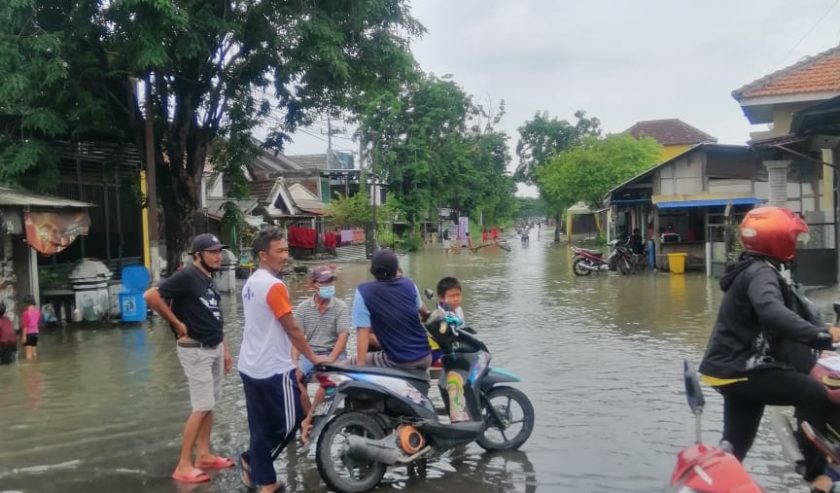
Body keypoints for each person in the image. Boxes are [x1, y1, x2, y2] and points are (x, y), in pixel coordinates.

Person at [698, 207, 840, 490]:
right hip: (744, 369)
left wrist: (815, 345)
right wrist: (822, 336)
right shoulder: (761, 273)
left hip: (728, 371)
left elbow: (778, 322)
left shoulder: (750, 269)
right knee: (813, 392)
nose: (797, 246)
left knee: (736, 449)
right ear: (777, 240)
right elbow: (772, 312)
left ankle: (709, 484)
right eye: (794, 239)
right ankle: (819, 475)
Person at [237, 229, 327, 493]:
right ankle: (254, 463)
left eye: (287, 250)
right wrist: (312, 357)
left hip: (249, 366)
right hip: (272, 368)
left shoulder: (251, 282)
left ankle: (266, 481)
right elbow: (292, 328)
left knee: (261, 427)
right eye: (280, 251)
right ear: (263, 256)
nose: (286, 256)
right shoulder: (274, 285)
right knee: (294, 420)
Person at [144, 233, 233, 484]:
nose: (218, 256)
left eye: (219, 251)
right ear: (198, 255)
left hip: (214, 347)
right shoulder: (187, 276)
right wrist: (176, 323)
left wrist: (225, 349)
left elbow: (215, 316)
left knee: (210, 403)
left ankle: (204, 454)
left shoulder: (208, 280)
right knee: (202, 405)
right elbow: (151, 296)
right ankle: (184, 464)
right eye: (213, 252)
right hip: (195, 350)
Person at [352, 248, 431, 369]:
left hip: (398, 361)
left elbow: (363, 332)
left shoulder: (363, 291)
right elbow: (424, 311)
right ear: (396, 271)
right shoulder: (409, 284)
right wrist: (426, 316)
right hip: (425, 357)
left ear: (372, 271)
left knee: (345, 365)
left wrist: (360, 368)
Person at [292, 265, 349, 413]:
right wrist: (294, 362)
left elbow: (343, 337)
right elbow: (297, 340)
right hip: (310, 353)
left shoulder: (340, 307)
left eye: (331, 281)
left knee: (331, 379)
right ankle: (308, 417)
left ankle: (315, 416)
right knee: (293, 378)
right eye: (324, 282)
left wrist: (331, 358)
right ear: (314, 284)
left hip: (333, 352)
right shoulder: (303, 308)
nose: (328, 285)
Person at [430, 277, 466, 364]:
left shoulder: (459, 309)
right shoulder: (439, 315)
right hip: (442, 351)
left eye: (458, 295)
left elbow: (463, 329)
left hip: (457, 345)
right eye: (452, 296)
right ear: (441, 298)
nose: (456, 299)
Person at [20, 295, 40, 360]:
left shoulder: (25, 313)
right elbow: (38, 322)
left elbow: (25, 326)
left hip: (29, 334)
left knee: (28, 355)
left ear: (26, 303)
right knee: (34, 353)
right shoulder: (37, 312)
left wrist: (24, 336)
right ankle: (36, 366)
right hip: (36, 334)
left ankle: (30, 368)